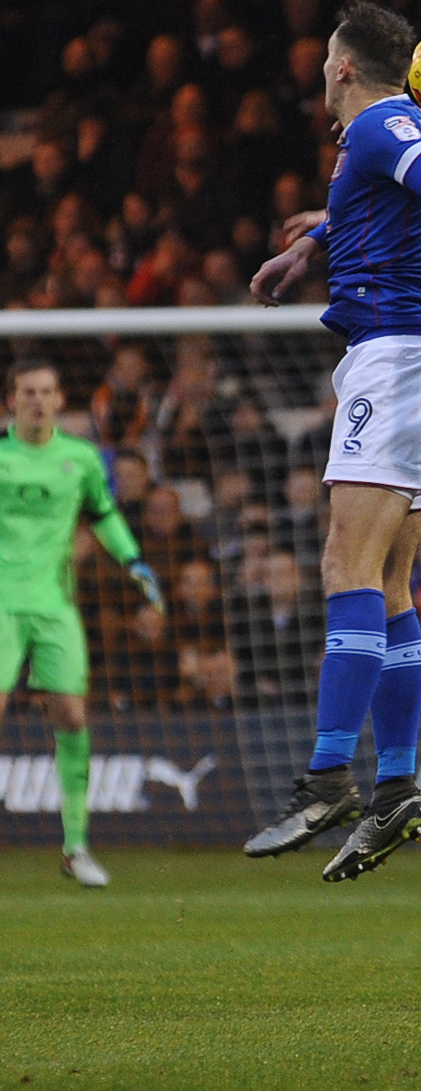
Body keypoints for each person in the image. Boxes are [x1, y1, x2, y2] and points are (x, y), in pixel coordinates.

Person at [243, 0, 421, 881]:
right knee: (387, 583)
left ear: (343, 66)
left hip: (399, 358)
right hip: (406, 363)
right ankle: (394, 787)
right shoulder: (383, 139)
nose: (319, 73)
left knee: (344, 569)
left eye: (323, 61)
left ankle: (326, 778)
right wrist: (313, 245)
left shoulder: (383, 124)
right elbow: (391, 212)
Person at [0, 358, 164, 887]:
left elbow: (103, 514)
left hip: (54, 606)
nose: (38, 401)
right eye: (28, 392)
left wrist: (135, 562)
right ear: (11, 401)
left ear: (60, 401)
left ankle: (76, 846)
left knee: (71, 715)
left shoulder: (83, 460)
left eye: (47, 391)